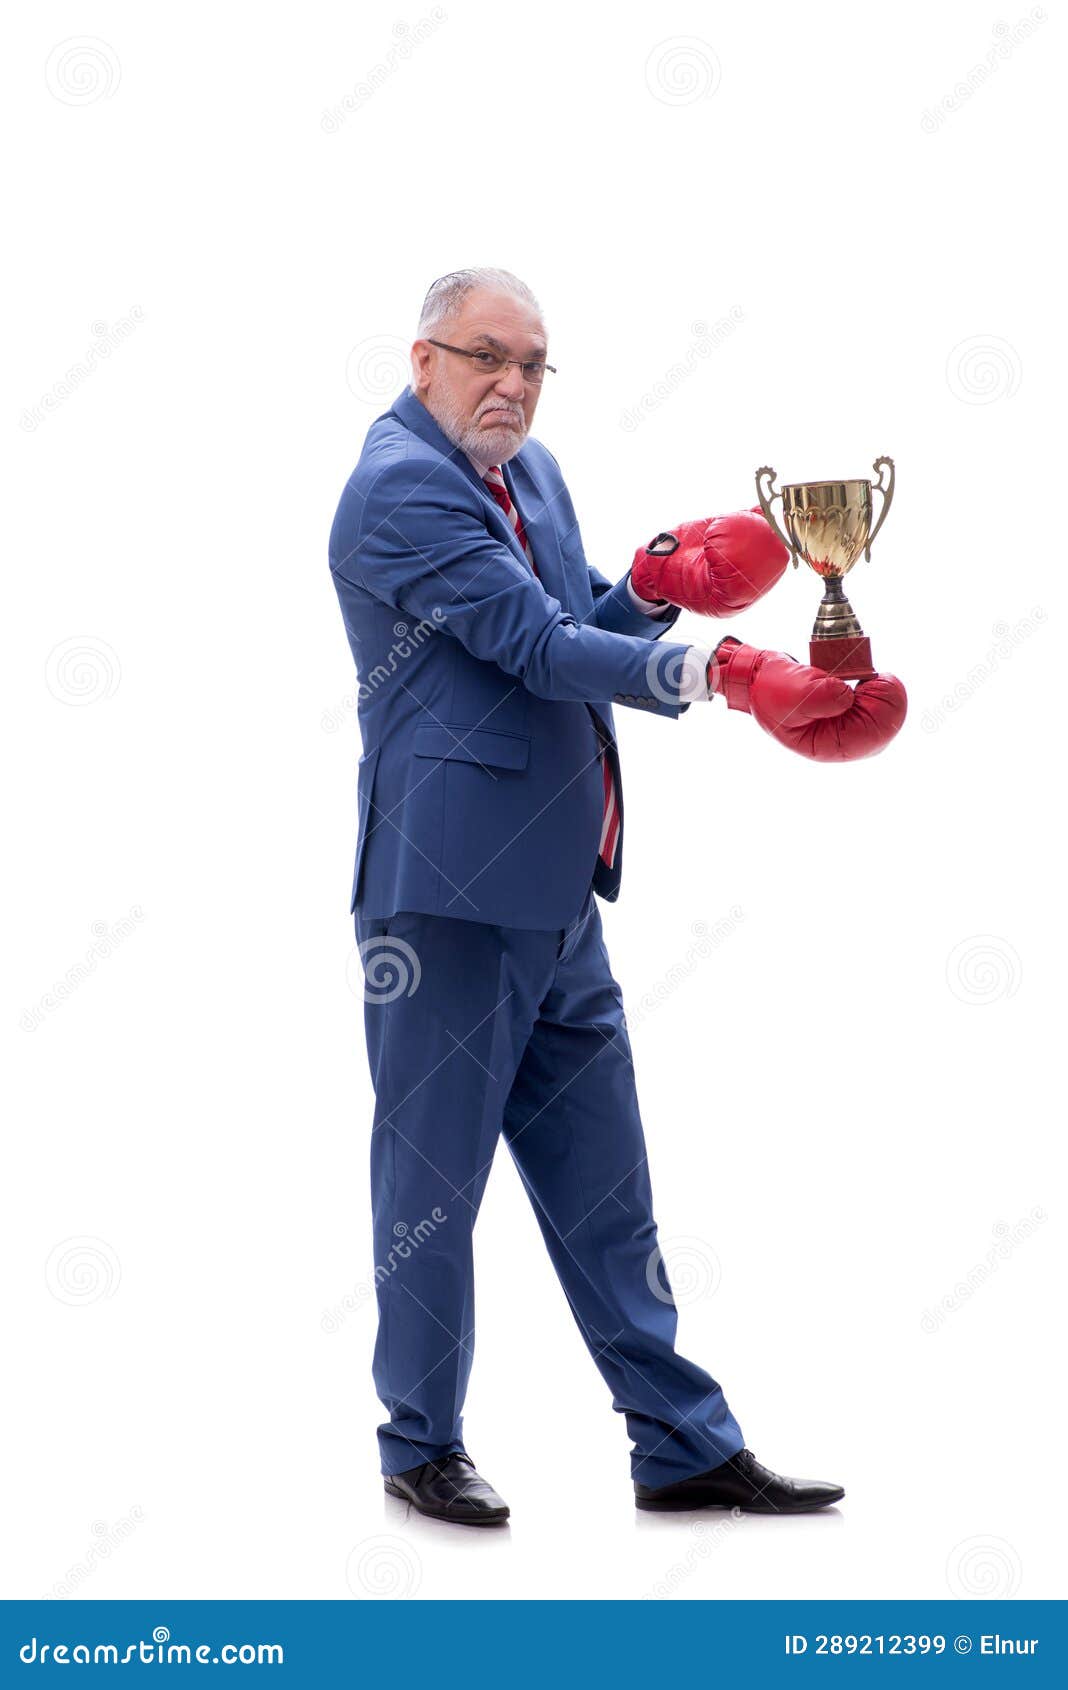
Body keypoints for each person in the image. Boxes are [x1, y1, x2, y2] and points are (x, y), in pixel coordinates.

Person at [328, 267, 906, 1526]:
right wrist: (725, 668)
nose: (514, 385)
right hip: (444, 900)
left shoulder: (526, 467)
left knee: (607, 1184)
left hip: (556, 880)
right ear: (421, 357)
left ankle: (682, 1443)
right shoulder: (397, 491)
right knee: (431, 1188)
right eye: (488, 357)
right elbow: (531, 648)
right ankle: (417, 1440)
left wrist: (654, 583)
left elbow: (567, 615)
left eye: (534, 364)